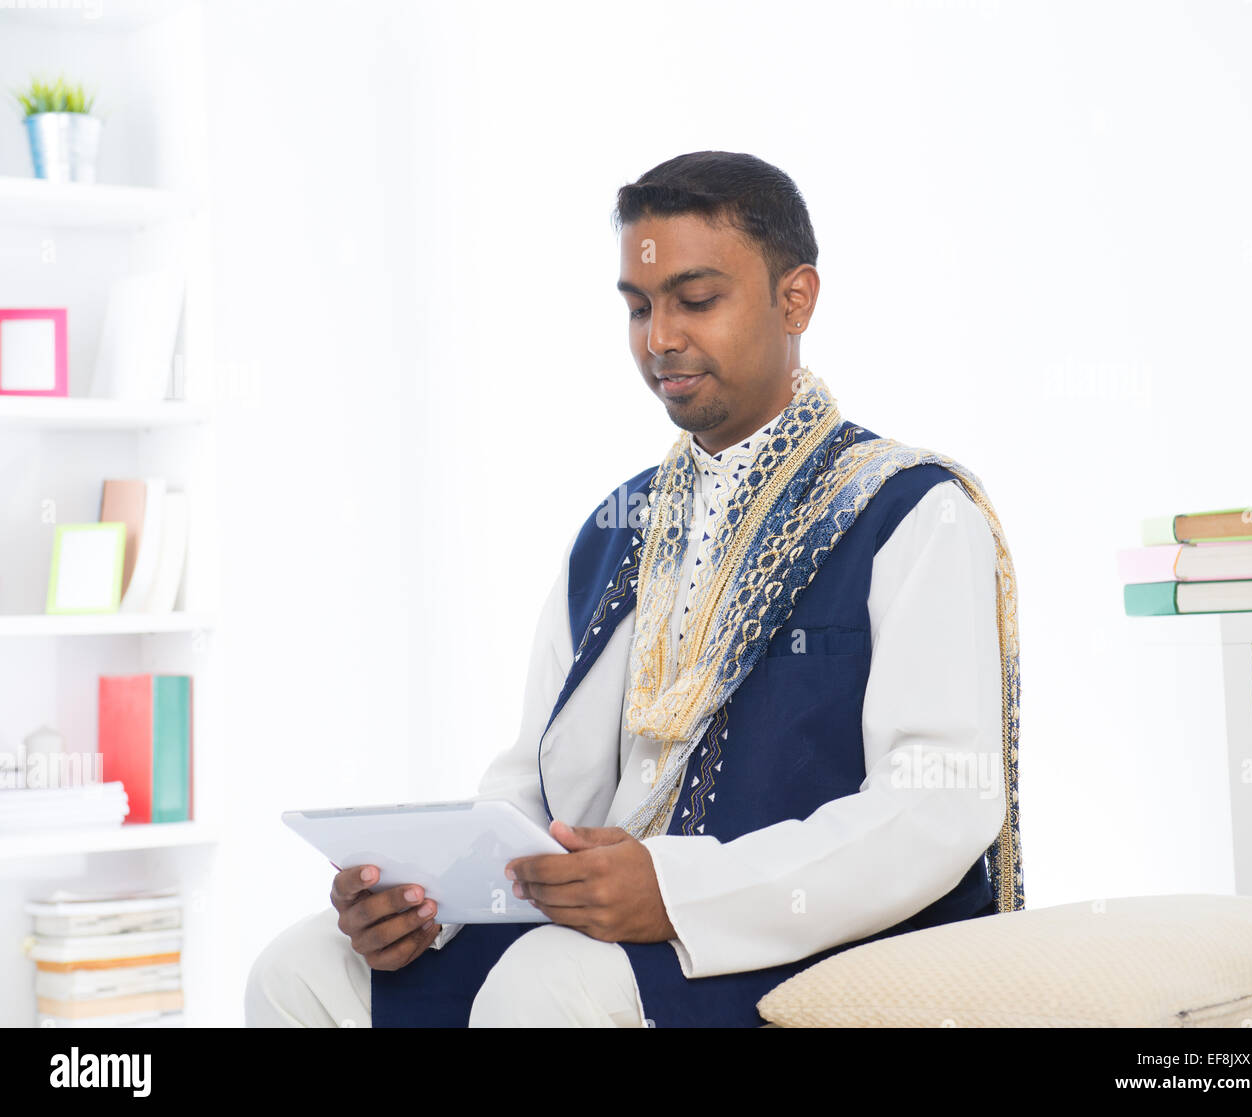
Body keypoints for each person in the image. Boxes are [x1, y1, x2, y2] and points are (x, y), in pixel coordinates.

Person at [244, 150, 1023, 1028]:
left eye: (697, 300)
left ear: (795, 298)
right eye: (640, 307)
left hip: (807, 936)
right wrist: (427, 897)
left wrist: (676, 889)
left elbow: (937, 806)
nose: (660, 337)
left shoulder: (910, 511)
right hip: (599, 921)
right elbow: (531, 792)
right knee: (301, 969)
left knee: (550, 986)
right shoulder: (617, 530)